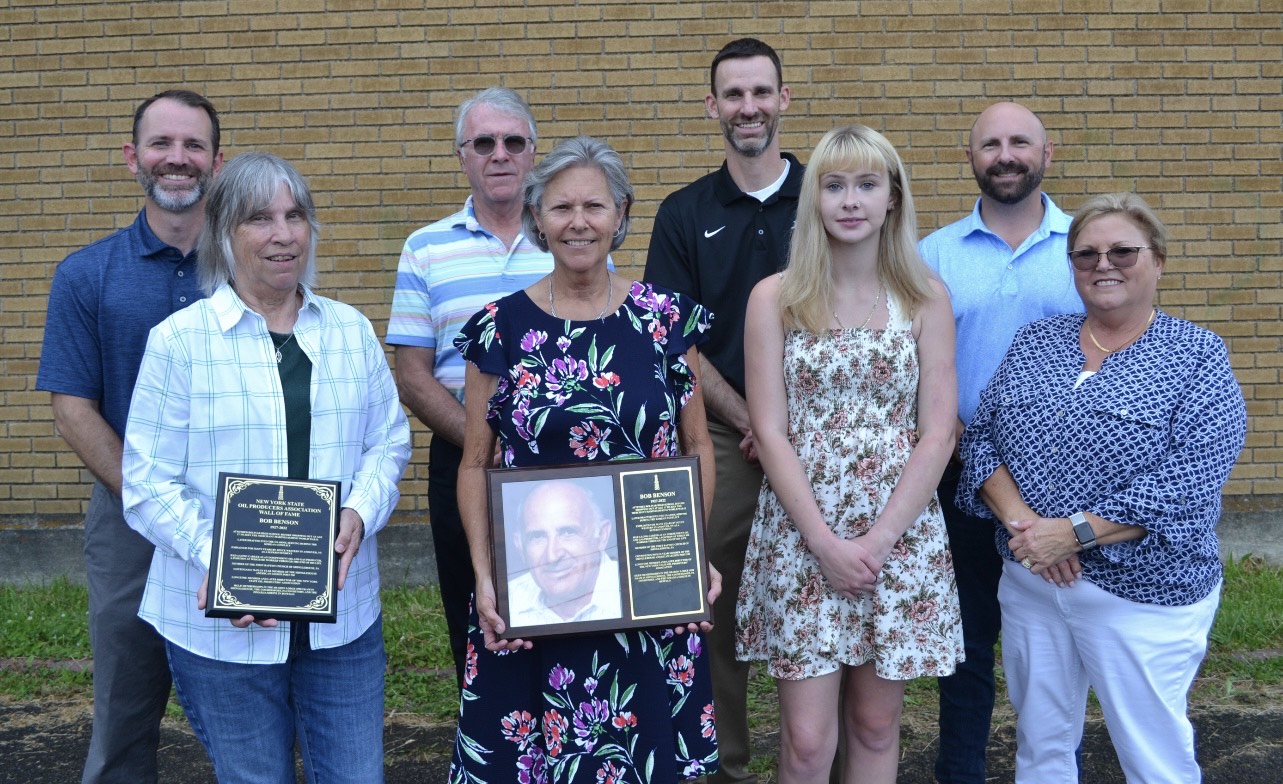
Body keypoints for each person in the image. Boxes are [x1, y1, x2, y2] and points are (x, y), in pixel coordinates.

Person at [121, 152, 411, 783]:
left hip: (343, 622)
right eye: (260, 218)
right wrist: (219, 558)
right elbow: (146, 482)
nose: (283, 234)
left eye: (295, 215)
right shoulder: (179, 342)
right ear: (225, 233)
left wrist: (362, 509)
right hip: (219, 626)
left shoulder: (350, 331)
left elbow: (387, 443)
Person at [450, 136, 720, 782]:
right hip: (533, 592)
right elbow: (475, 464)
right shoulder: (499, 328)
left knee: (642, 757)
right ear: (537, 217)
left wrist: (692, 552)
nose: (578, 222)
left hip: (646, 593)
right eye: (561, 207)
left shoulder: (662, 320)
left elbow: (697, 446)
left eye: (594, 207)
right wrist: (487, 578)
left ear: (621, 214)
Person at [956, 192, 1247, 782]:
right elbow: (981, 437)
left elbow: (1190, 476)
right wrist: (1030, 533)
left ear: (1158, 261)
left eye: (1123, 251)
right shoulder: (1037, 342)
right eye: (1086, 254)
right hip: (1034, 578)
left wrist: (1076, 535)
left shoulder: (1197, 356)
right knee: (1041, 747)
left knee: (1153, 756)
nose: (1103, 264)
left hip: (1143, 592)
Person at [737, 125, 963, 783]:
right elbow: (769, 430)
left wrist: (877, 541)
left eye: (866, 184)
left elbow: (938, 431)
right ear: (814, 200)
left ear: (892, 197)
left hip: (897, 535)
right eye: (833, 185)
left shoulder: (924, 297)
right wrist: (826, 544)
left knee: (874, 726)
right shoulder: (774, 298)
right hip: (803, 535)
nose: (849, 200)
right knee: (807, 742)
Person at [34, 89, 223, 784]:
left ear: (216, 161)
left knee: (254, 697)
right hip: (126, 520)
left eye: (193, 146)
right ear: (132, 158)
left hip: (239, 515)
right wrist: (152, 498)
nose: (177, 159)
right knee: (124, 705)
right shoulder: (87, 275)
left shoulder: (249, 270)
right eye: (161, 144)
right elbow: (73, 407)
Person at [645, 38, 802, 783]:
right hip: (719, 433)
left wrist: (790, 429)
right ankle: (724, 764)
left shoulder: (831, 191)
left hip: (823, 436)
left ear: (783, 99)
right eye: (733, 95)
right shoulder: (684, 212)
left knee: (829, 601)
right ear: (713, 106)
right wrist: (750, 422)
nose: (749, 108)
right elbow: (673, 341)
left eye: (760, 92)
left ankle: (825, 763)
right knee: (705, 600)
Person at [916, 101, 1083, 783]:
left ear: (1048, 154)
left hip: (1064, 492)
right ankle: (960, 773)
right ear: (970, 159)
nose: (1005, 154)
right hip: (958, 482)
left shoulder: (1087, 244)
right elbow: (915, 366)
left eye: (1020, 142)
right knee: (964, 651)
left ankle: (1053, 770)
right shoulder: (931, 254)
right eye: (990, 144)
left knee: (1056, 655)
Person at [386, 87, 554, 691]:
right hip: (461, 457)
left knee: (566, 610)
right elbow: (412, 374)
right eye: (484, 143)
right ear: (463, 156)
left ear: (533, 153)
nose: (500, 154)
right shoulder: (426, 248)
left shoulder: (569, 238)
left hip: (560, 466)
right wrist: (485, 444)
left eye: (514, 142)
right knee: (476, 614)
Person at [507, 479, 622, 627]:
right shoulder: (504, 605)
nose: (552, 556)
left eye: (568, 532)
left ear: (602, 536)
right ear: (520, 545)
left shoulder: (639, 593)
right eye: (538, 537)